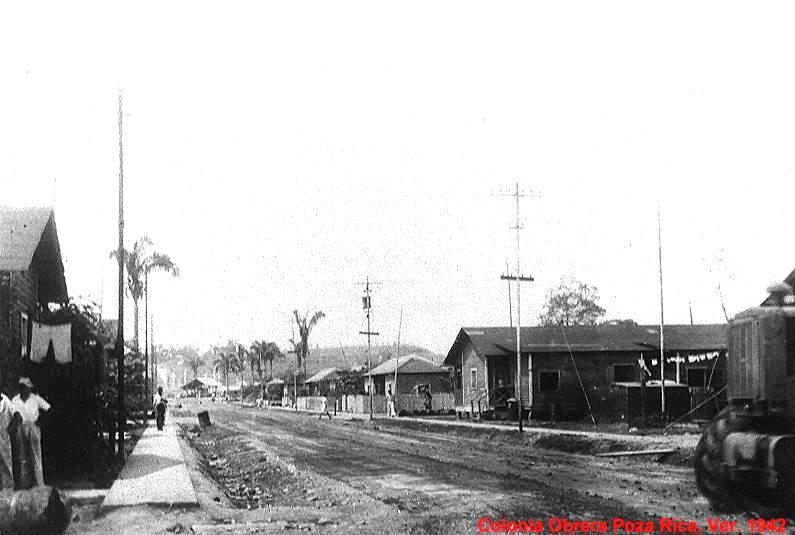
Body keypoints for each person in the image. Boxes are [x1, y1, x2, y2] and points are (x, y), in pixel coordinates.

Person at [11, 377, 51, 487]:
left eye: (27, 388)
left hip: (33, 425)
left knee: (36, 454)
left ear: (29, 388)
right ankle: (25, 483)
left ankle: (39, 484)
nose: (24, 390)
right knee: (23, 455)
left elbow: (49, 409)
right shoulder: (15, 400)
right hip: (21, 426)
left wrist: (40, 422)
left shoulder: (35, 399)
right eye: (22, 387)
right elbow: (13, 414)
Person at [0, 390, 15, 490]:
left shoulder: (5, 401)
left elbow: (17, 416)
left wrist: (10, 430)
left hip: (3, 435)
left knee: (6, 462)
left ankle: (8, 489)